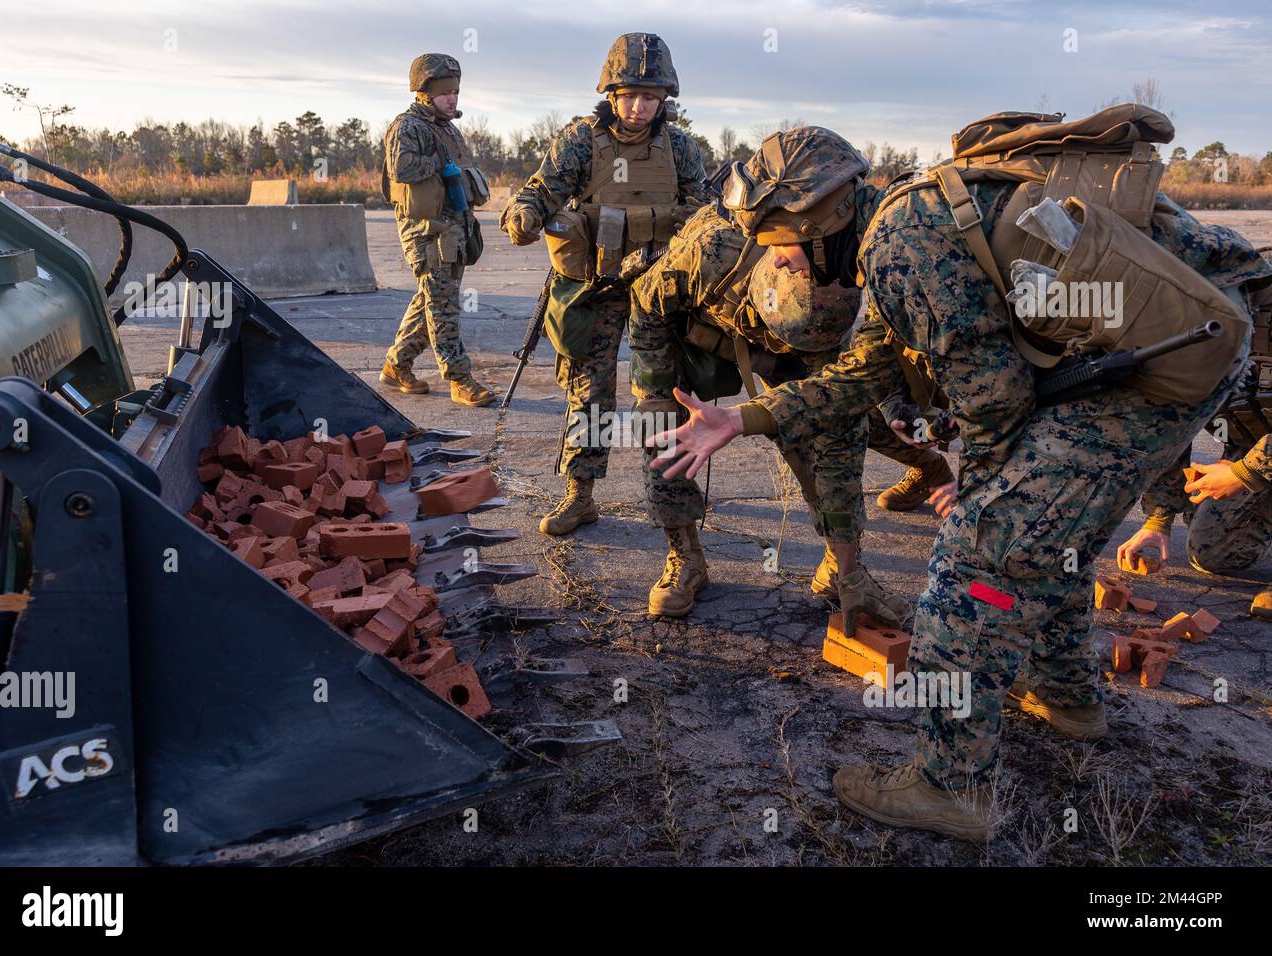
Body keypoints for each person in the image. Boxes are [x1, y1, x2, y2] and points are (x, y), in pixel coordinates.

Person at [648, 111, 1271, 840]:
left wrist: (975, 488)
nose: (775, 260)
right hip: (1180, 348)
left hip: (1155, 370)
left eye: (777, 240)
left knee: (976, 564)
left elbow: (995, 399)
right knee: (1048, 542)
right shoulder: (900, 231)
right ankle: (1067, 697)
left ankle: (951, 787)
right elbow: (861, 375)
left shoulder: (899, 243)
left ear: (818, 220)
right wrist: (743, 419)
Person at [628, 127, 952, 618]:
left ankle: (842, 567)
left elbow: (838, 431)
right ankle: (684, 557)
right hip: (698, 333)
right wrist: (655, 389)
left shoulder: (834, 290)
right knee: (660, 428)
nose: (787, 258)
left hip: (785, 353)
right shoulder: (710, 253)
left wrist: (850, 571)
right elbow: (645, 302)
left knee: (835, 427)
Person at [500, 32, 708, 536]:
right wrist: (523, 215)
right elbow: (540, 191)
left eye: (650, 98)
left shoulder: (680, 147)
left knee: (662, 398)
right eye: (629, 95)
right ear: (611, 94)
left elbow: (704, 211)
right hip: (597, 286)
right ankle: (581, 493)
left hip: (659, 292)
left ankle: (672, 502)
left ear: (664, 99)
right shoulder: (580, 140)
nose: (638, 108)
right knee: (589, 394)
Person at [1118, 273, 1272, 618]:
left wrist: (1245, 473)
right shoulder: (1189, 313)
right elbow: (1171, 417)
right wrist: (1159, 519)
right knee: (1215, 553)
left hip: (1259, 459)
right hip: (1256, 449)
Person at [379, 53, 495, 407]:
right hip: (427, 231)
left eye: (455, 92)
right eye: (445, 92)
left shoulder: (447, 128)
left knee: (430, 300)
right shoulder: (408, 126)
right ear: (425, 92)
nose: (452, 98)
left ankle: (397, 365)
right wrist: (440, 162)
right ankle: (459, 379)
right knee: (443, 306)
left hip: (453, 227)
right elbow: (402, 168)